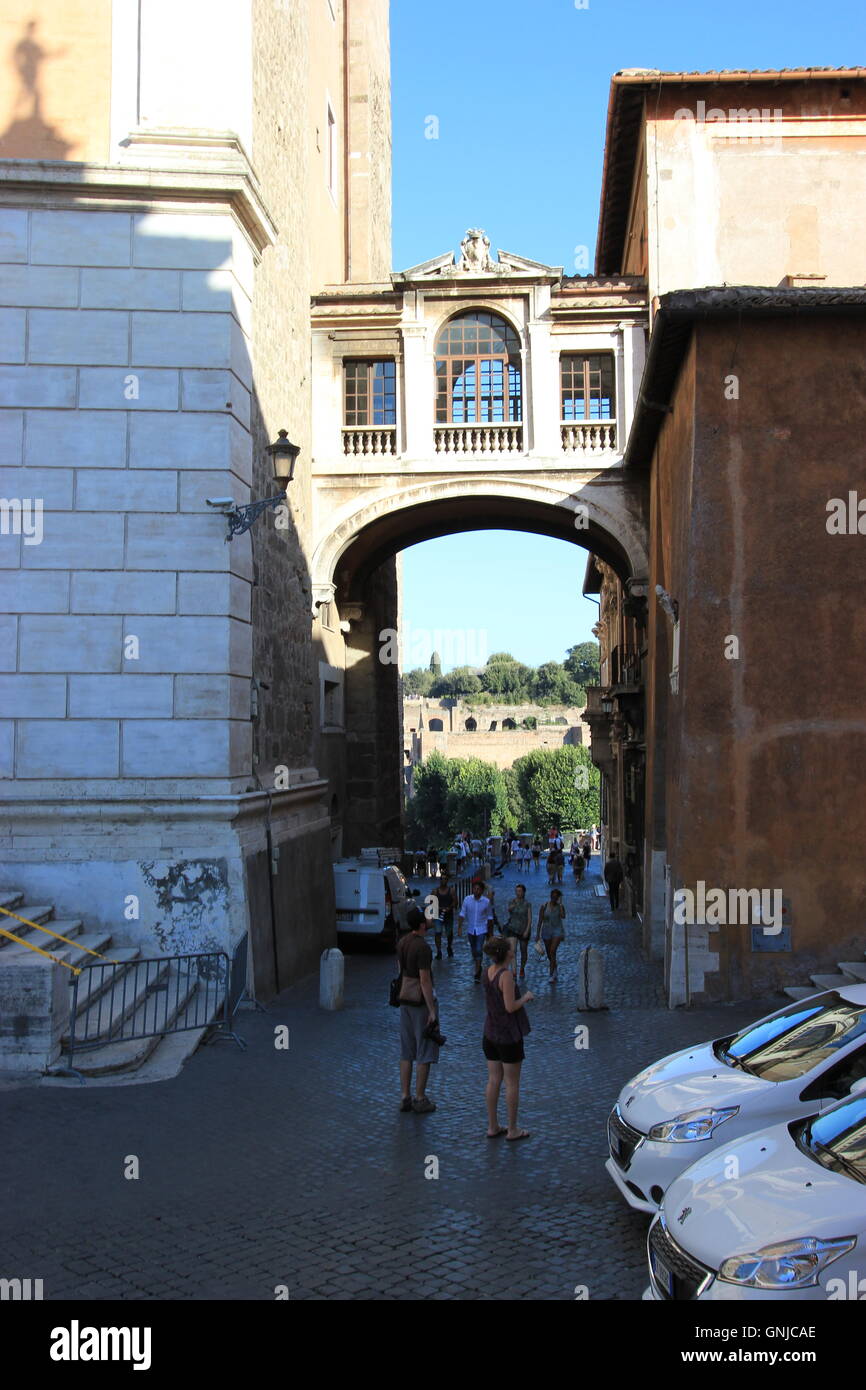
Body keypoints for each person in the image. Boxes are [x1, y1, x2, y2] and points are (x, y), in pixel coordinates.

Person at [482, 935, 533, 1141]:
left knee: (494, 1080)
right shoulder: (506, 976)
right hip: (508, 1035)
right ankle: (512, 1129)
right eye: (511, 949)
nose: (514, 952)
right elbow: (510, 1006)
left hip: (490, 1033)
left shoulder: (488, 972)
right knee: (512, 1083)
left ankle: (493, 1126)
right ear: (506, 954)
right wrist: (526, 997)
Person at [397, 906, 441, 1114]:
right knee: (424, 1050)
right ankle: (420, 1098)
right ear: (422, 924)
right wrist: (432, 1010)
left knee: (406, 1051)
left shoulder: (403, 942)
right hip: (419, 1003)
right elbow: (424, 980)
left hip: (405, 998)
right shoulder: (423, 948)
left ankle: (405, 1096)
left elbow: (400, 970)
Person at [458, 878, 495, 982]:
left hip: (481, 929)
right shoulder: (467, 899)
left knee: (479, 949)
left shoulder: (486, 902)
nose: (476, 891)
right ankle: (478, 964)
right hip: (470, 929)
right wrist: (460, 927)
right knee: (474, 950)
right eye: (474, 889)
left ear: (482, 891)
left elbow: (490, 917)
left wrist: (490, 933)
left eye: (478, 889)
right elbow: (462, 914)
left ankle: (477, 972)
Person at [502, 882, 533, 977]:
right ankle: (514, 973)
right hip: (512, 928)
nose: (518, 893)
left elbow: (529, 918)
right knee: (513, 950)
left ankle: (522, 968)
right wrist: (514, 904)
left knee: (523, 951)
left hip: (523, 929)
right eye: (517, 891)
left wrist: (527, 930)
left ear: (524, 892)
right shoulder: (512, 901)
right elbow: (509, 909)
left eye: (520, 891)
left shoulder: (527, 904)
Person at [536, 887, 566, 982]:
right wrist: (537, 934)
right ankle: (555, 967)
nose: (554, 899)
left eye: (556, 897)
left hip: (557, 931)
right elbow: (540, 920)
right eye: (552, 897)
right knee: (549, 953)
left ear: (558, 898)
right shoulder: (544, 906)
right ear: (550, 896)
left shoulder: (560, 906)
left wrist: (561, 904)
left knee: (553, 951)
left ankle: (551, 974)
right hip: (546, 930)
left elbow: (563, 916)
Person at [432, 874, 457, 960]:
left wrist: (449, 908)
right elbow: (431, 902)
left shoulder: (451, 891)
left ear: (447, 880)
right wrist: (438, 908)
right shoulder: (435, 891)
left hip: (448, 915)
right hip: (438, 915)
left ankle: (449, 946)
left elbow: (455, 901)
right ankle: (439, 951)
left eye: (445, 879)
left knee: (449, 933)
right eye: (442, 879)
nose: (443, 881)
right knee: (438, 932)